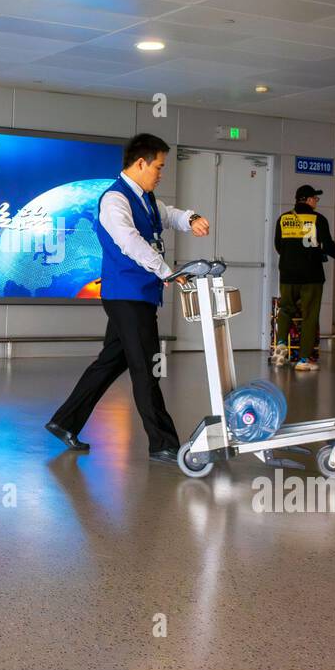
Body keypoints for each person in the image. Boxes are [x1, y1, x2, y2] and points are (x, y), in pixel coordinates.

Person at [46, 133, 210, 465]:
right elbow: (130, 242)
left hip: (140, 295)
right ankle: (163, 443)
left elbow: (169, 215)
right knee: (146, 369)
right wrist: (166, 271)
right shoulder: (115, 200)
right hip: (127, 296)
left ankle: (64, 421)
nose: (161, 174)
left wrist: (191, 219)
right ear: (140, 163)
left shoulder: (146, 197)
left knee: (111, 362)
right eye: (159, 167)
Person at [272, 184, 335, 371]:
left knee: (286, 309)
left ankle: (280, 344)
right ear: (309, 199)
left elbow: (279, 246)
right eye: (315, 199)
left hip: (287, 274)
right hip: (311, 275)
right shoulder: (318, 219)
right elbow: (328, 246)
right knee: (310, 315)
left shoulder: (284, 218)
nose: (316, 202)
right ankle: (303, 360)